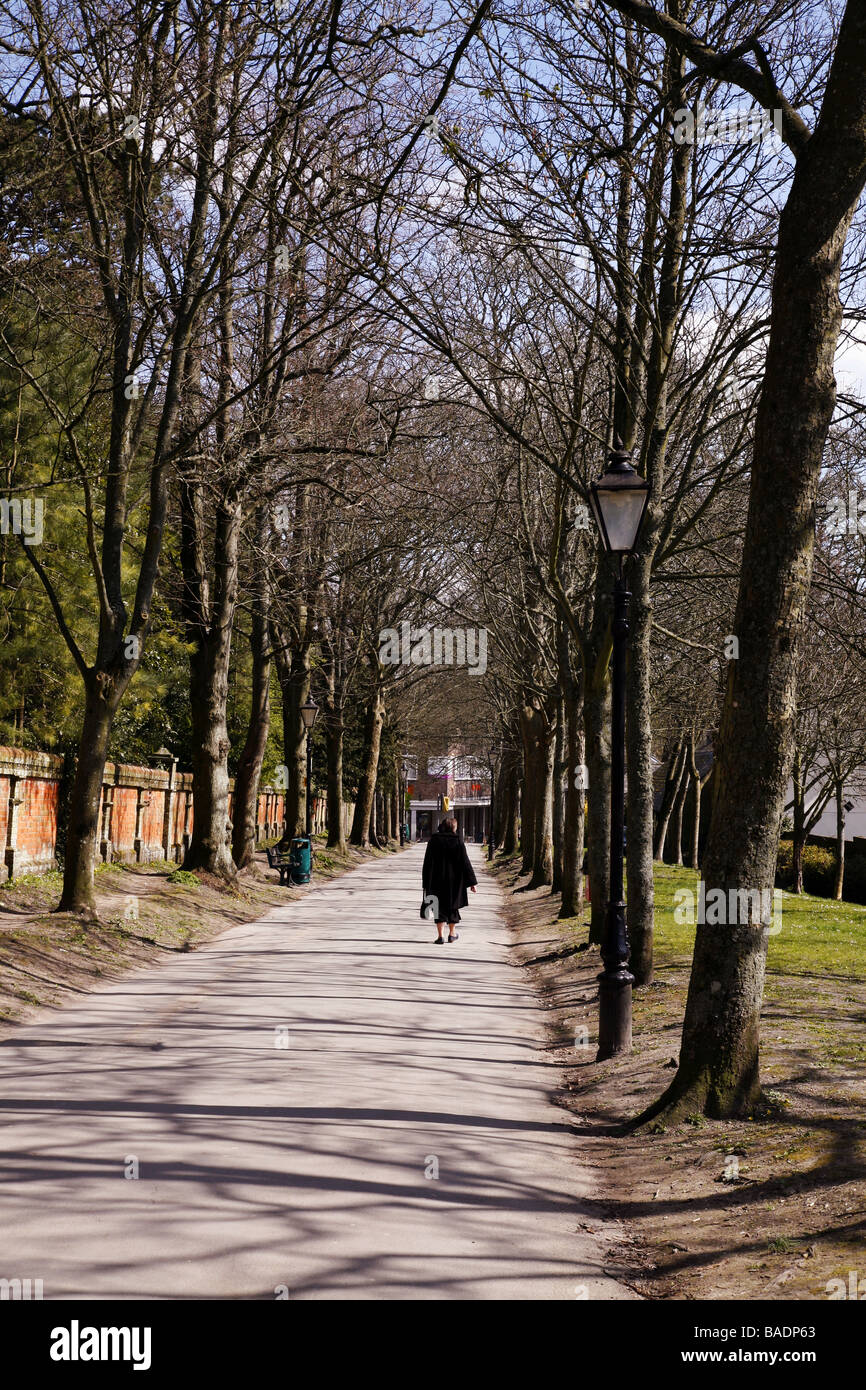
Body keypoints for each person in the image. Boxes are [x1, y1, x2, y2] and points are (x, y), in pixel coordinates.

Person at [422, 816, 477, 944]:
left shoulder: (433, 841)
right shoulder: (458, 841)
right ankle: (452, 934)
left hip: (436, 879)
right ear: (453, 828)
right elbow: (465, 862)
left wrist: (425, 883)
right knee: (452, 907)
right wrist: (472, 882)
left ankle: (440, 936)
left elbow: (427, 863)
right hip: (454, 880)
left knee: (438, 907)